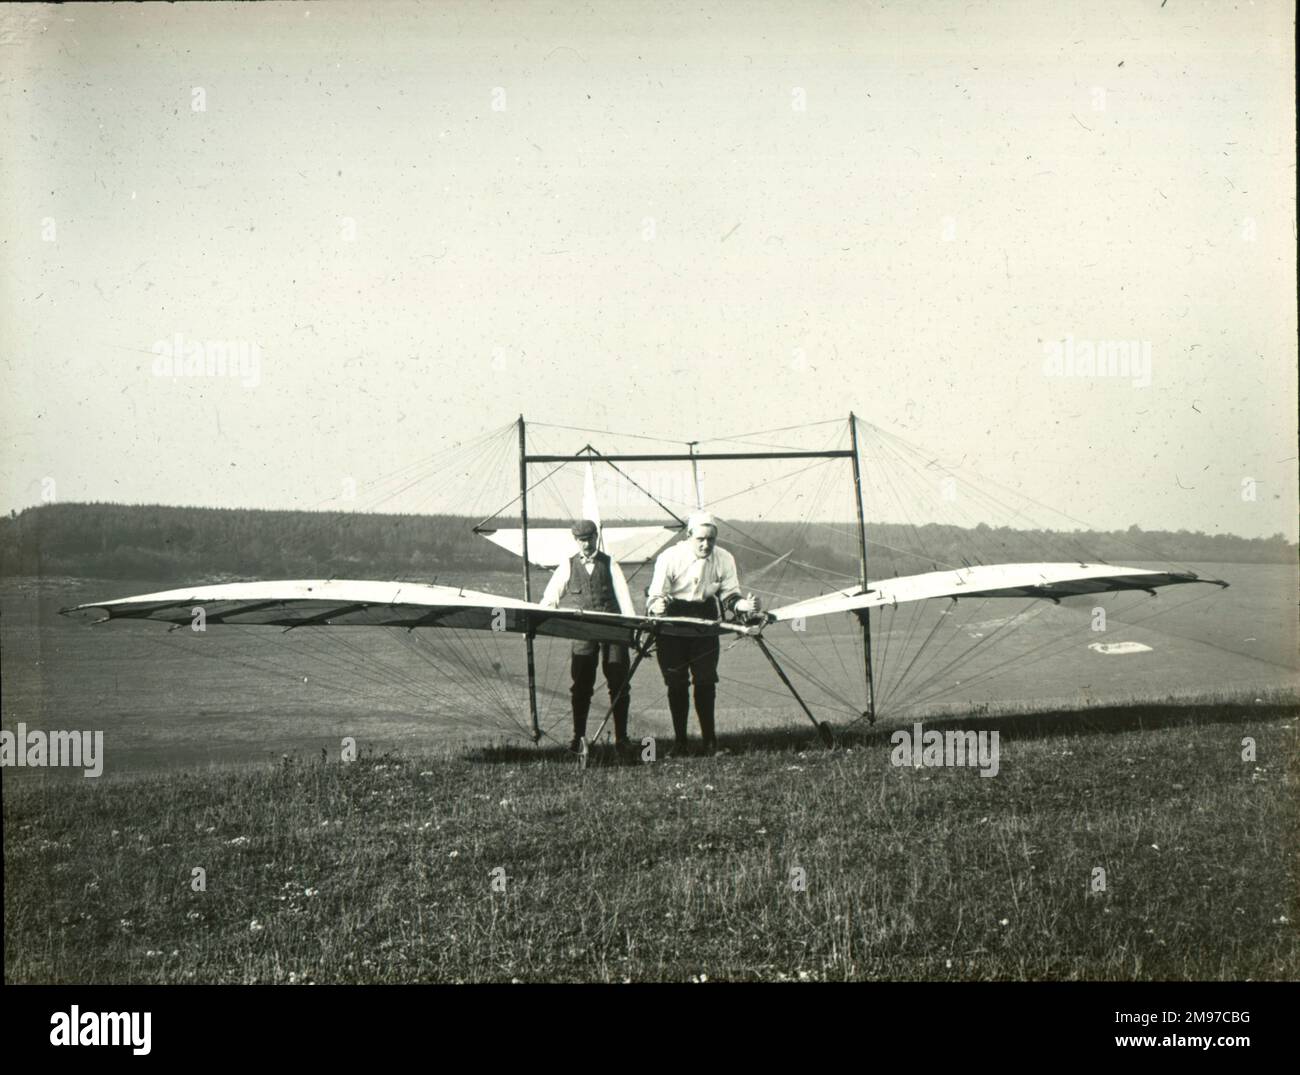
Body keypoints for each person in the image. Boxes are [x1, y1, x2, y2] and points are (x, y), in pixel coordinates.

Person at [646, 512, 764, 756]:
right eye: (700, 539)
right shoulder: (669, 557)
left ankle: (710, 742)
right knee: (676, 683)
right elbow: (656, 595)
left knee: (706, 680)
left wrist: (745, 606)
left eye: (711, 539)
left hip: (706, 621)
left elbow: (730, 595)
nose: (706, 545)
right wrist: (656, 606)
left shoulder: (724, 558)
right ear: (689, 536)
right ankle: (681, 743)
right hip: (673, 623)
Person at [540, 519, 637, 755]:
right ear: (576, 541)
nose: (586, 544)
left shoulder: (610, 563)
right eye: (581, 540)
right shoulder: (568, 565)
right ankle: (578, 738)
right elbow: (551, 596)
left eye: (589, 539)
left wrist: (632, 628)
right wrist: (537, 619)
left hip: (612, 629)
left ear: (597, 537)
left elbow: (624, 599)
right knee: (581, 684)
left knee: (619, 681)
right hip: (583, 632)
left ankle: (622, 739)